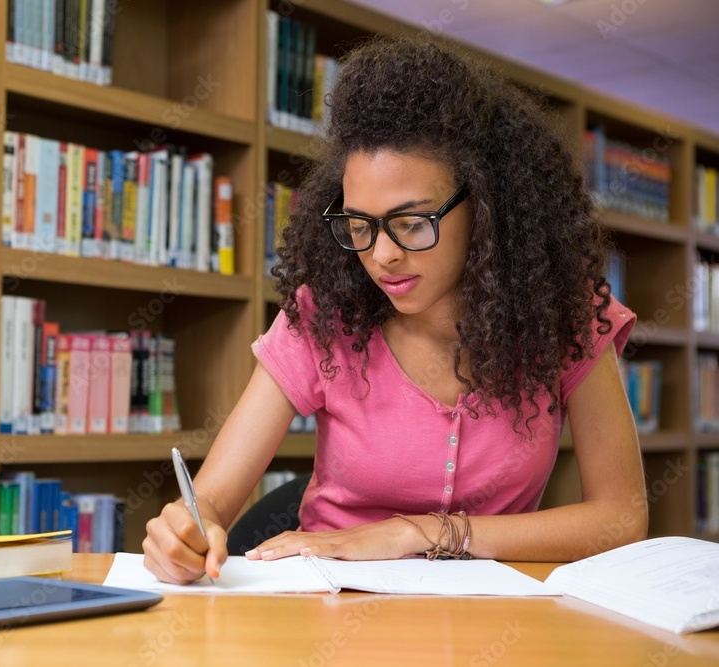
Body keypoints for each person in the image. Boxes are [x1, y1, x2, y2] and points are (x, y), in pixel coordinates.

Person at [142, 35, 647, 585]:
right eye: (359, 225)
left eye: (411, 222)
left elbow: (621, 518)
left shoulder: (566, 317)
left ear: (485, 207)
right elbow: (210, 500)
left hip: (491, 620)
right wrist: (186, 531)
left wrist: (420, 531)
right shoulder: (323, 317)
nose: (382, 255)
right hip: (330, 606)